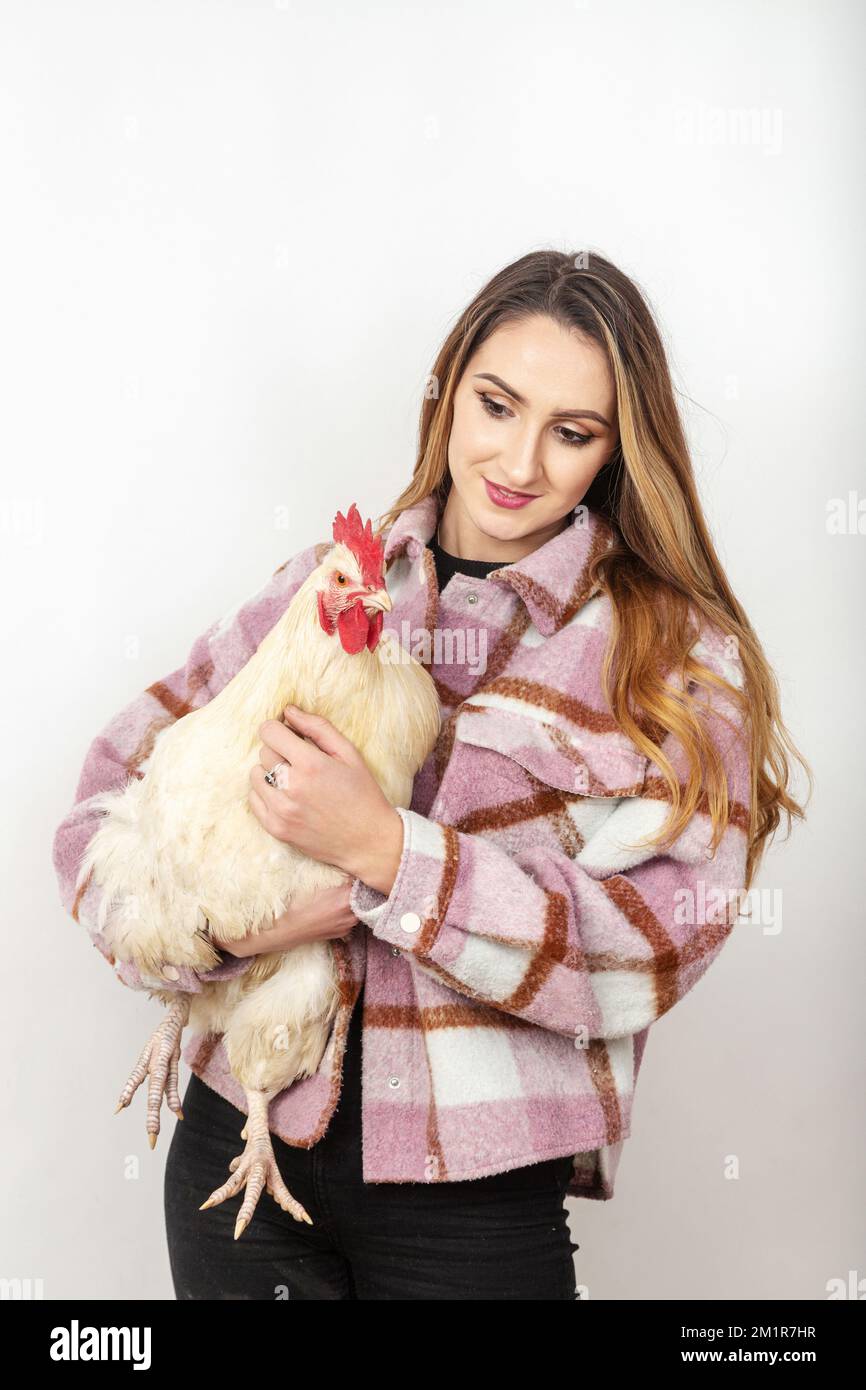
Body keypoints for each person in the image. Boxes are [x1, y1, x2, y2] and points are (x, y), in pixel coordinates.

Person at [53, 248, 810, 1300]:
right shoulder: (320, 593)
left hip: (471, 1205)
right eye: (495, 404)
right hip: (241, 1152)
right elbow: (99, 815)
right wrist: (223, 934)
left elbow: (648, 949)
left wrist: (386, 854)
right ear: (448, 389)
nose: (518, 461)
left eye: (572, 432)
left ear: (615, 451)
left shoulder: (668, 661)